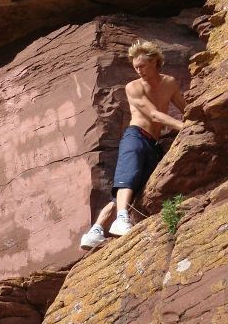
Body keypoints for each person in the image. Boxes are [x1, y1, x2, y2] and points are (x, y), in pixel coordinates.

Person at [80, 40, 186, 250]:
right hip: (135, 136)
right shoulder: (133, 87)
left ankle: (96, 231)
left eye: (142, 65)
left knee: (130, 191)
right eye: (136, 67)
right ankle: (121, 219)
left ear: (154, 62)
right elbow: (154, 114)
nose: (138, 70)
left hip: (153, 144)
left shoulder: (170, 83)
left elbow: (185, 108)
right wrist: (184, 127)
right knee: (126, 180)